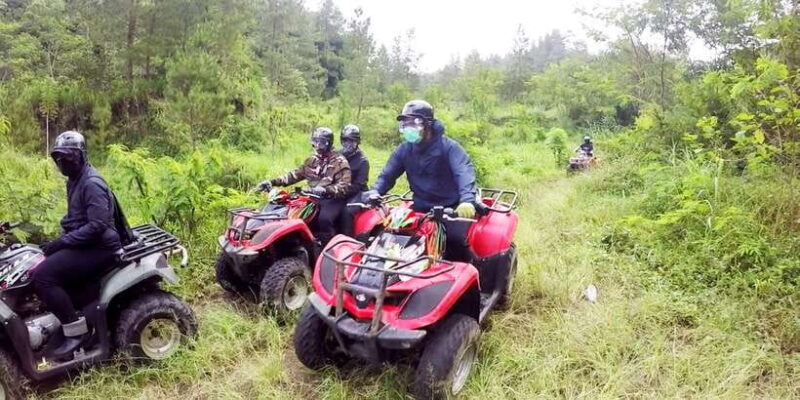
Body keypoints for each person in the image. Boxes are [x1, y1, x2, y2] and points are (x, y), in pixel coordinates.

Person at [33, 131, 131, 359]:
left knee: (43, 276)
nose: (62, 162)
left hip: (101, 247)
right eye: (58, 158)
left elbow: (97, 225)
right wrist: (62, 236)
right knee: (40, 261)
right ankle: (77, 311)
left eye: (67, 157)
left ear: (81, 155)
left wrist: (62, 242)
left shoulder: (91, 183)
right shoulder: (74, 180)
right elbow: (79, 218)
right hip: (87, 243)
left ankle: (76, 331)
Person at [364, 100, 478, 261]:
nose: (408, 127)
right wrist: (375, 191)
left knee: (456, 240)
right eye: (405, 123)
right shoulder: (404, 150)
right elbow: (387, 176)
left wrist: (467, 200)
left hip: (449, 210)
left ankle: (473, 272)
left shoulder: (449, 148)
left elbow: (464, 172)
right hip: (420, 208)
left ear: (428, 124)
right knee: (390, 234)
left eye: (414, 123)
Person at [256, 127, 351, 245]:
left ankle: (327, 246)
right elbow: (294, 175)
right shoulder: (312, 160)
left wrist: (325, 190)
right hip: (311, 197)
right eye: (315, 142)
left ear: (329, 143)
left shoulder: (340, 161)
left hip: (331, 199)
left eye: (321, 142)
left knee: (324, 219)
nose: (317, 146)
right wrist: (272, 182)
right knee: (288, 212)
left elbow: (344, 186)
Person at [337, 124, 370, 237]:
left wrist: (339, 191)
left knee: (347, 211)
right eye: (345, 140)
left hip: (358, 192)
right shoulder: (337, 155)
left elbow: (358, 185)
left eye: (352, 141)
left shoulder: (363, 161)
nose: (348, 144)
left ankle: (347, 239)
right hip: (339, 190)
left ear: (357, 142)